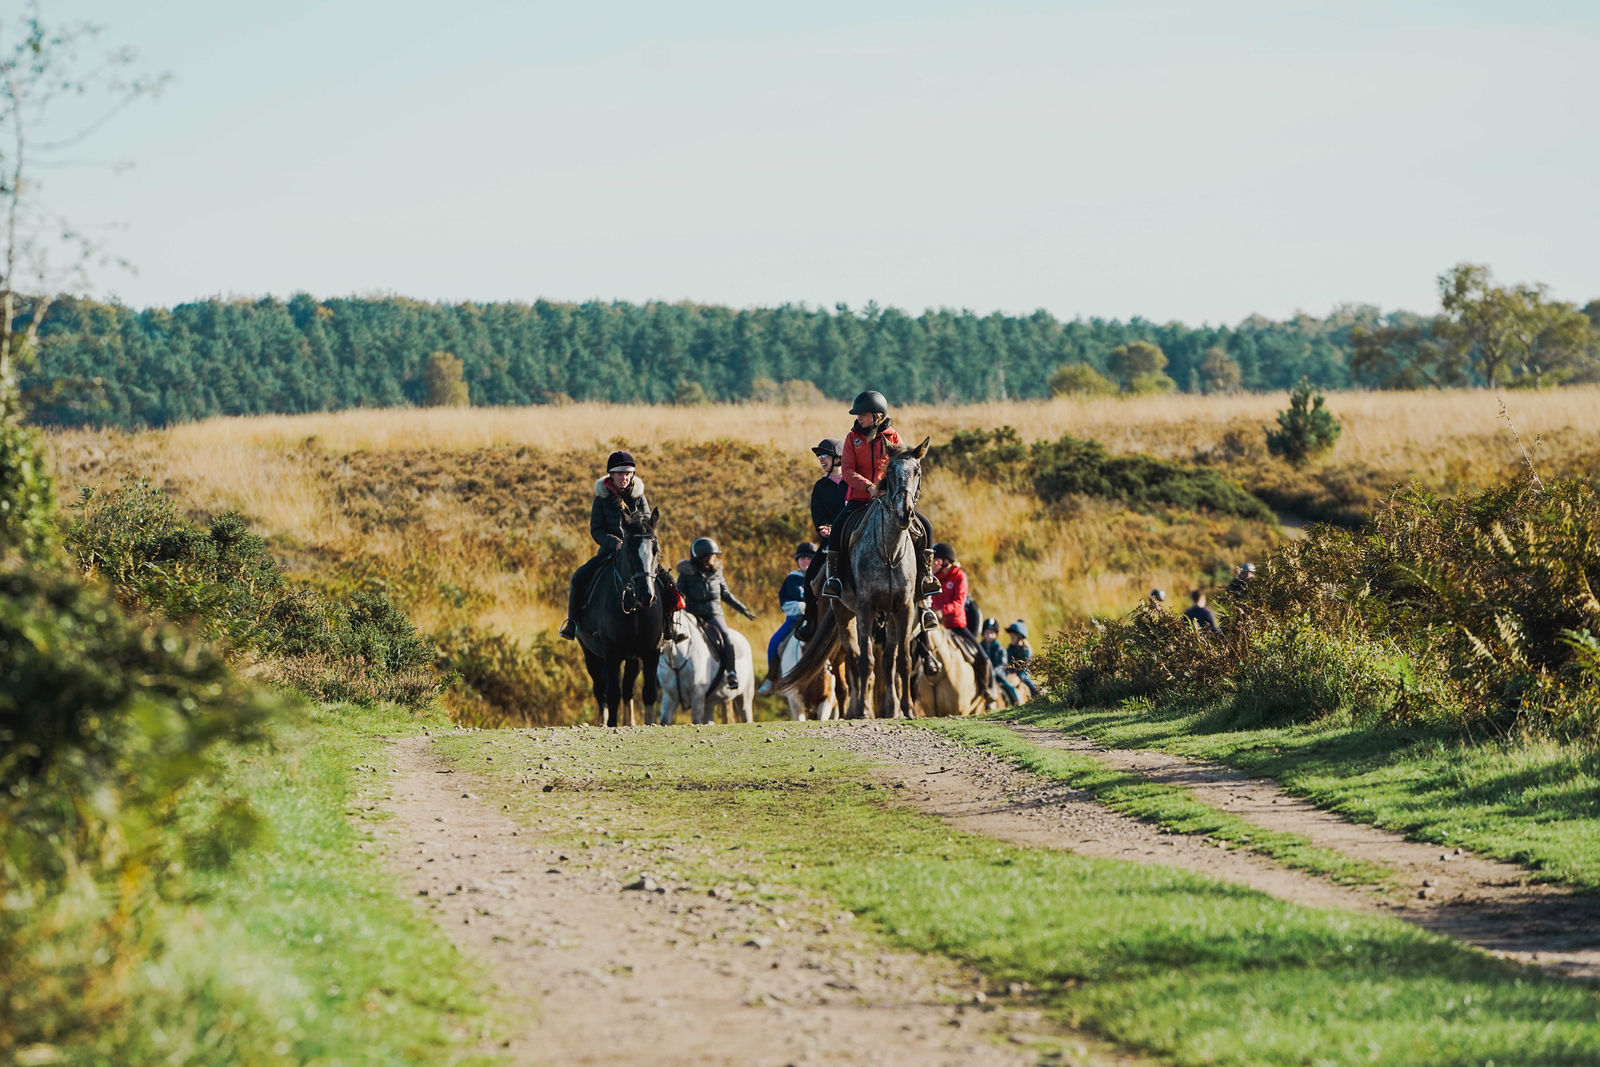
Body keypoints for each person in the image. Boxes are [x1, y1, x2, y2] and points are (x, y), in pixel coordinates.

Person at [814, 390, 940, 625]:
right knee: (840, 526)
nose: (858, 418)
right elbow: (848, 471)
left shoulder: (893, 436)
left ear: (876, 415)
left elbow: (902, 467)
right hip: (860, 499)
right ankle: (835, 580)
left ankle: (926, 578)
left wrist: (894, 492)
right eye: (858, 414)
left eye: (862, 414)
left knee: (926, 527)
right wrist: (869, 487)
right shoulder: (852, 438)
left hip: (890, 499)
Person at [560, 450, 677, 640]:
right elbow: (596, 530)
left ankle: (669, 624)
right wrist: (614, 542)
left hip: (638, 553)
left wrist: (638, 542)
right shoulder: (601, 500)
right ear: (611, 475)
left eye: (628, 473)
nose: (624, 477)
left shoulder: (640, 498)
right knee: (578, 578)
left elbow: (647, 526)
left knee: (669, 583)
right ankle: (572, 624)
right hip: (609, 552)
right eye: (620, 473)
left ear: (632, 475)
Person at [676, 536, 757, 691]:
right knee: (677, 638)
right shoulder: (686, 574)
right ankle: (667, 675)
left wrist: (743, 609)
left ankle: (731, 672)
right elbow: (679, 594)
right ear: (703, 557)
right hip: (693, 615)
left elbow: (726, 595)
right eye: (713, 555)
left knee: (726, 637)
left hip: (714, 614)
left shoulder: (717, 573)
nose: (715, 558)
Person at [760, 541, 815, 694]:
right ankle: (771, 679)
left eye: (809, 558)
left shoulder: (821, 576)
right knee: (774, 643)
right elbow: (785, 601)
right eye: (802, 558)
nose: (805, 561)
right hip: (794, 620)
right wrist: (802, 607)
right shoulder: (792, 579)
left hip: (818, 620)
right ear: (797, 561)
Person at [979, 618, 1020, 706]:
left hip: (997, 676)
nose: (989, 635)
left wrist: (993, 671)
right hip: (982, 675)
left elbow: (1002, 665)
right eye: (987, 633)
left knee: (1007, 686)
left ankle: (1016, 701)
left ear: (996, 634)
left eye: (992, 633)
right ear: (983, 634)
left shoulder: (1000, 649)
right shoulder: (979, 647)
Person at [1005, 620, 1043, 699]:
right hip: (1012, 671)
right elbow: (1007, 661)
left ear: (1019, 638)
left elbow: (1026, 665)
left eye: (1013, 637)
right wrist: (1008, 671)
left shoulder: (1026, 650)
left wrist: (1018, 673)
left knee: (1025, 678)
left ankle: (1036, 692)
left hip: (1022, 672)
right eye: (1010, 637)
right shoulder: (1009, 649)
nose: (1011, 639)